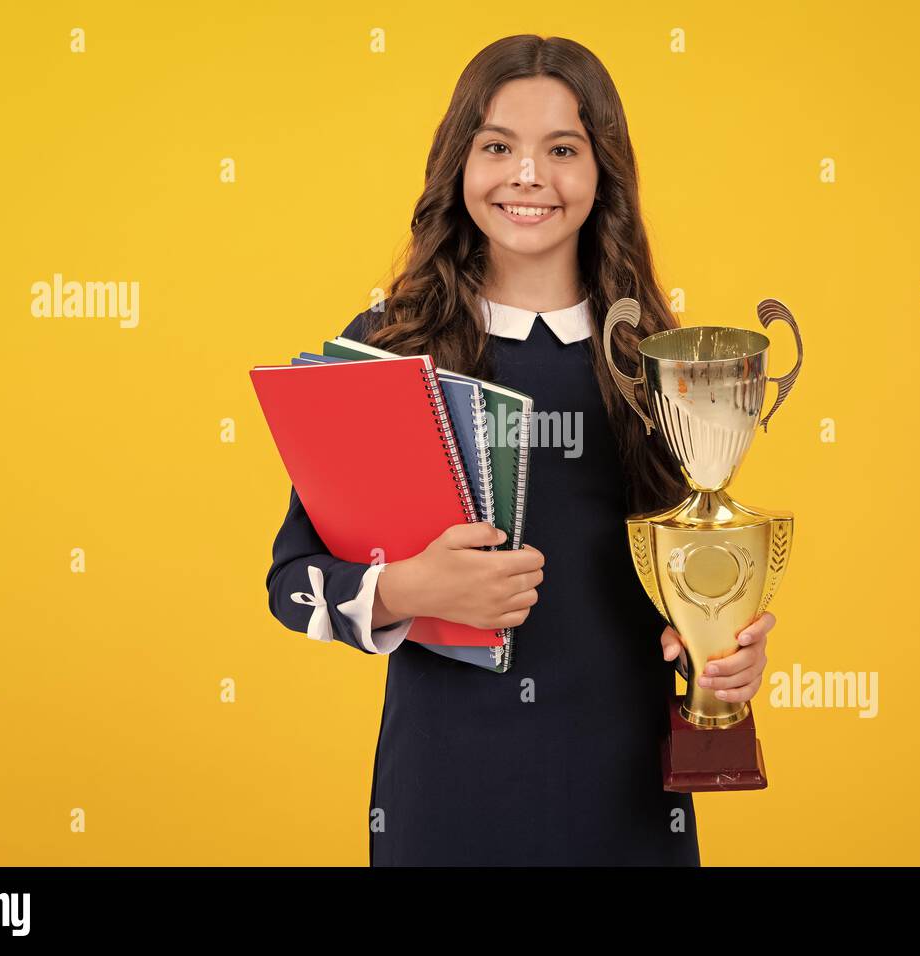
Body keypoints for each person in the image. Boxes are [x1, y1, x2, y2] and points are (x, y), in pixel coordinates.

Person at [265, 34, 776, 866]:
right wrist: (408, 588)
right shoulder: (389, 354)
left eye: (563, 149)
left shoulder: (662, 359)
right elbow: (291, 586)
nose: (528, 176)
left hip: (631, 801)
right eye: (498, 146)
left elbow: (688, 573)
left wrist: (721, 651)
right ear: (457, 165)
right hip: (445, 798)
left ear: (603, 171)